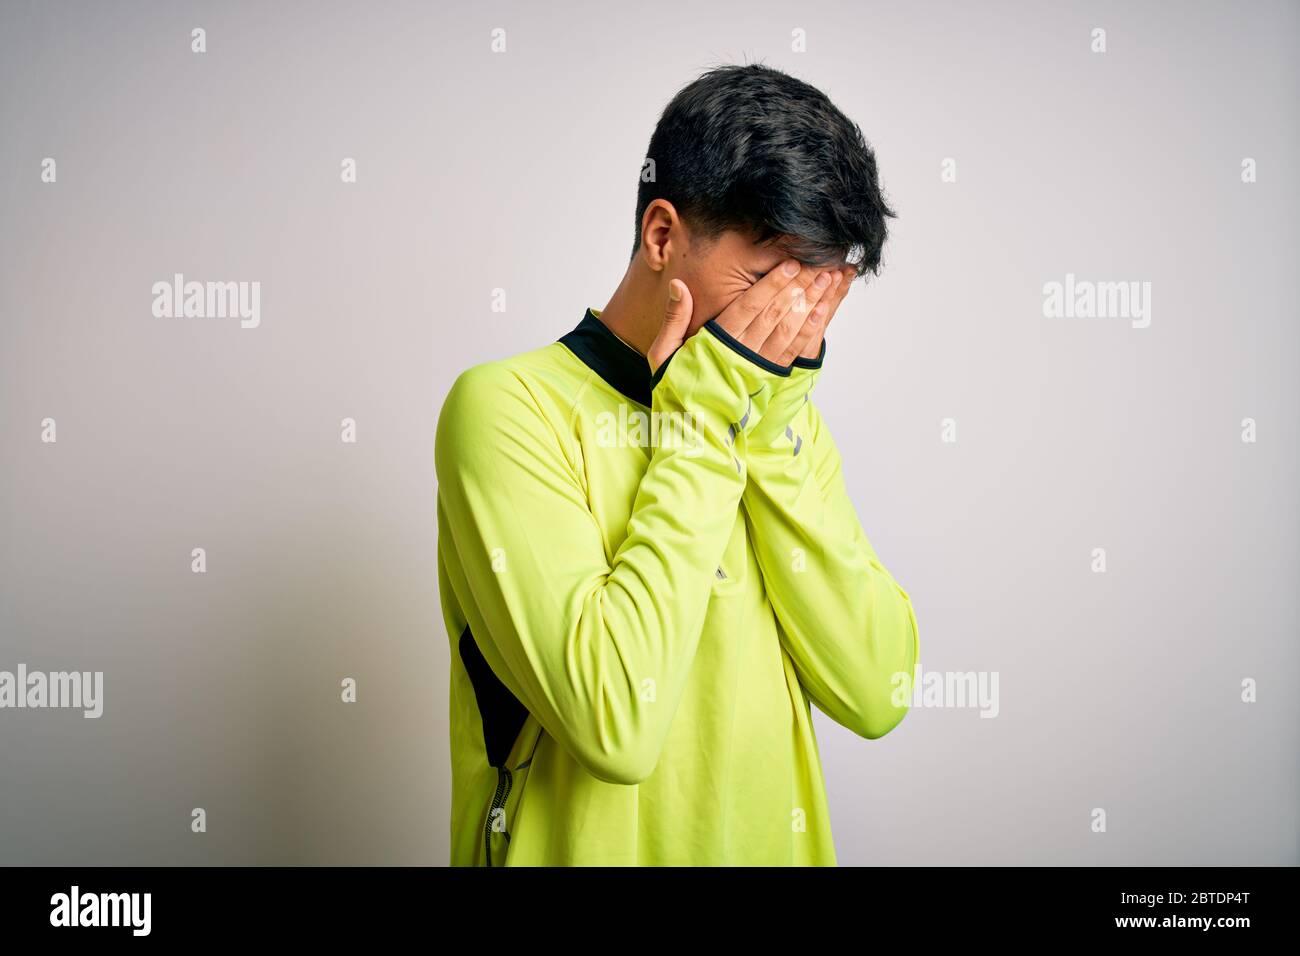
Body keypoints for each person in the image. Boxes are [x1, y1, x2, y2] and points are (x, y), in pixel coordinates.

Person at [435, 62, 918, 866]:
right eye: (767, 281)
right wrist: (700, 419)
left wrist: (766, 429)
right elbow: (615, 721)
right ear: (662, 236)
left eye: (812, 291)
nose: (785, 319)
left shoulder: (774, 422)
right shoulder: (507, 409)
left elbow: (878, 693)